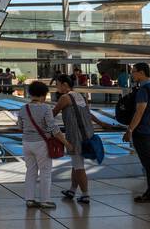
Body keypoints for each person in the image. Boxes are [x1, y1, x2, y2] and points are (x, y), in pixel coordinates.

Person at [16, 80, 70, 209]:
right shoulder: (45, 108)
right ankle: (45, 200)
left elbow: (20, 126)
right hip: (41, 143)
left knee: (31, 171)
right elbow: (53, 128)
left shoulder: (23, 108)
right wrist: (66, 143)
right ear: (43, 95)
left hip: (27, 143)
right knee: (45, 172)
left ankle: (30, 199)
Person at [124, 62, 150, 202]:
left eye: (133, 71)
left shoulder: (143, 90)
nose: (132, 74)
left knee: (149, 165)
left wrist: (130, 130)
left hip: (141, 131)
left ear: (141, 72)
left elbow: (139, 112)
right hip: (149, 130)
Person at [52, 74, 96, 202]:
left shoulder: (64, 98)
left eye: (57, 84)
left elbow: (52, 115)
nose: (57, 87)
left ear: (65, 84)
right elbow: (89, 114)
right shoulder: (81, 96)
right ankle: (72, 190)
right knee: (76, 164)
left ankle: (85, 194)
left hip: (75, 136)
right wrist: (104, 124)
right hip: (87, 133)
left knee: (78, 166)